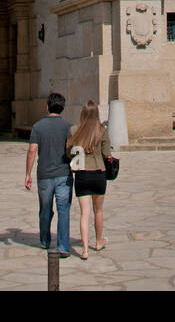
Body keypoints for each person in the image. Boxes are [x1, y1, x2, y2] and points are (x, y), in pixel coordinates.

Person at [25, 92, 73, 258]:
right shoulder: (69, 127)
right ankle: (63, 247)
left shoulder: (38, 126)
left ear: (47, 107)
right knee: (64, 210)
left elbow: (32, 150)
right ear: (62, 108)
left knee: (45, 209)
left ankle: (45, 240)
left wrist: (27, 174)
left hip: (44, 174)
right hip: (63, 174)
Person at [66, 100, 114, 260]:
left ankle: (85, 249)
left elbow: (68, 153)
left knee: (84, 213)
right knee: (98, 210)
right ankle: (99, 241)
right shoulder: (102, 130)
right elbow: (107, 154)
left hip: (82, 174)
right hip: (99, 173)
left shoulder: (74, 130)